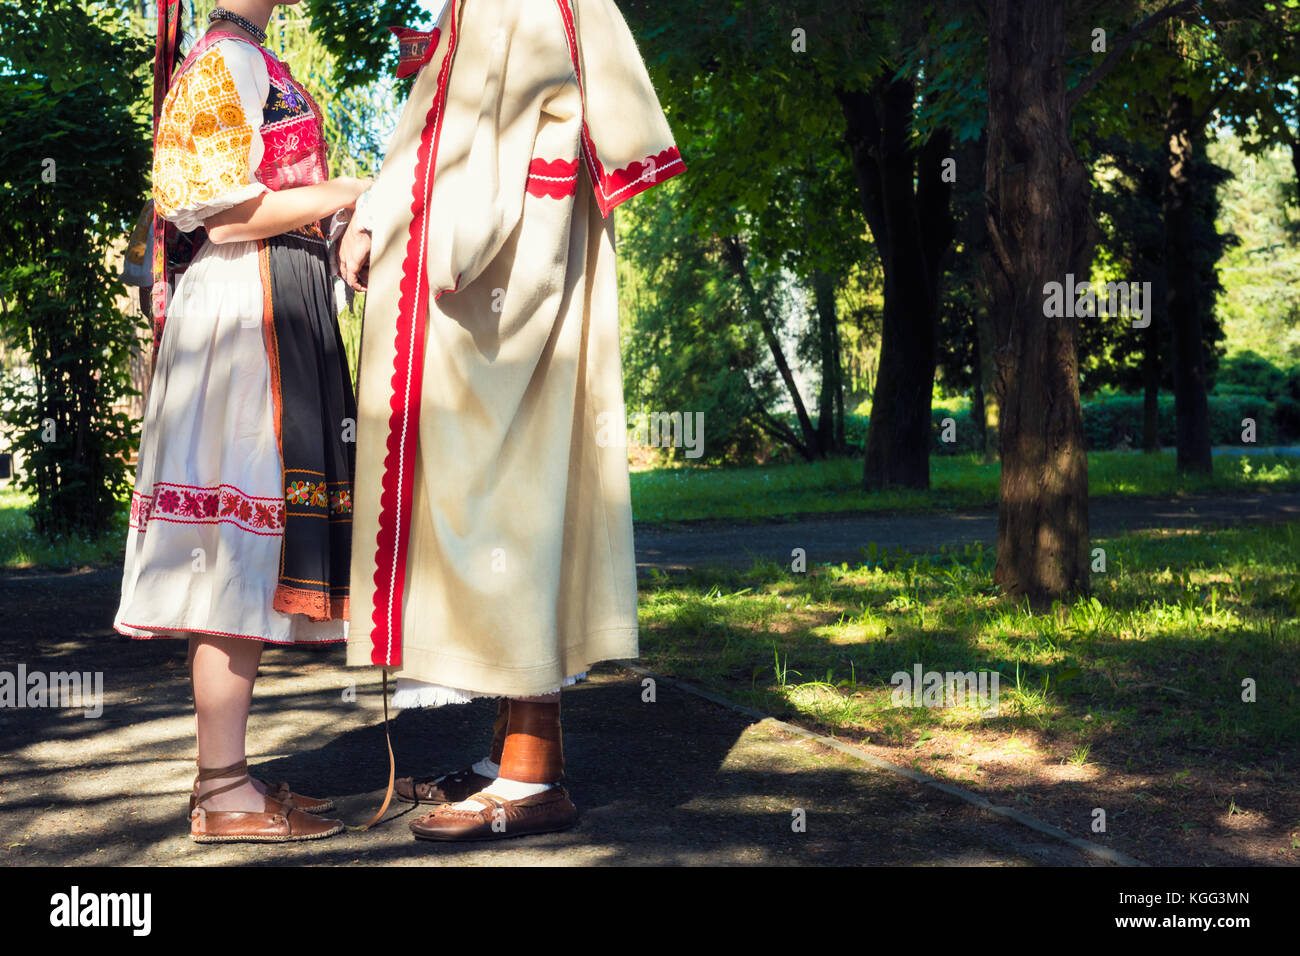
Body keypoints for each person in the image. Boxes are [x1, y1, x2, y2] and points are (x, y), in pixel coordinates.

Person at [338, 0, 684, 841]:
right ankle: (511, 756)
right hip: (503, 267)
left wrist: (415, 233)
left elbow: (500, 138)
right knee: (498, 488)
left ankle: (534, 776)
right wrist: (387, 211)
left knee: (511, 492)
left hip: (506, 279)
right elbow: (452, 125)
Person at [114, 0, 368, 844]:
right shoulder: (226, 57)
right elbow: (223, 213)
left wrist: (338, 225)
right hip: (243, 314)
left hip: (268, 303)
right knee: (235, 547)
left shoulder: (244, 54)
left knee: (247, 551)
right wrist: (359, 190)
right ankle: (222, 790)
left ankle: (228, 777)